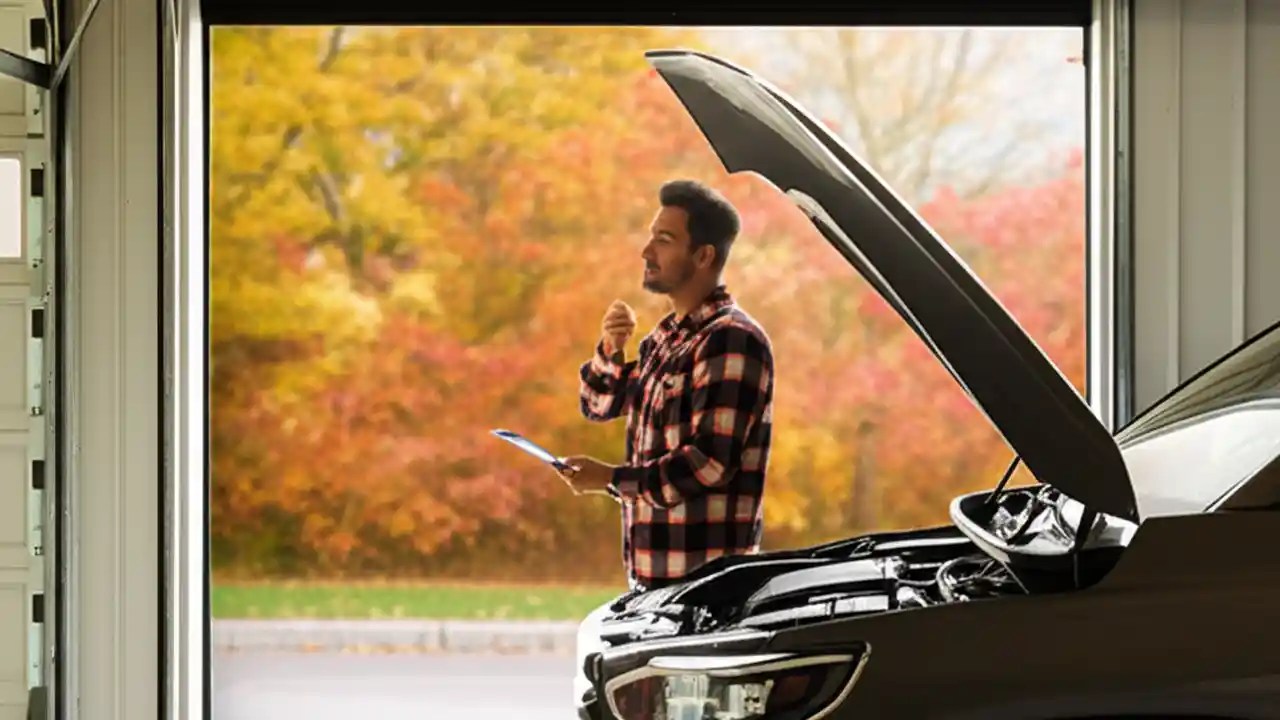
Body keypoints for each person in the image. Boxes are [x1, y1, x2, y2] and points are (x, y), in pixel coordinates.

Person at [559, 179, 775, 708]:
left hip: (707, 595)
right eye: (651, 236)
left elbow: (708, 464)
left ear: (703, 255)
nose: (646, 250)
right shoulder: (664, 340)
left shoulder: (732, 339)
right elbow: (599, 405)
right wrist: (612, 348)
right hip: (654, 587)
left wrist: (610, 480)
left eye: (664, 239)